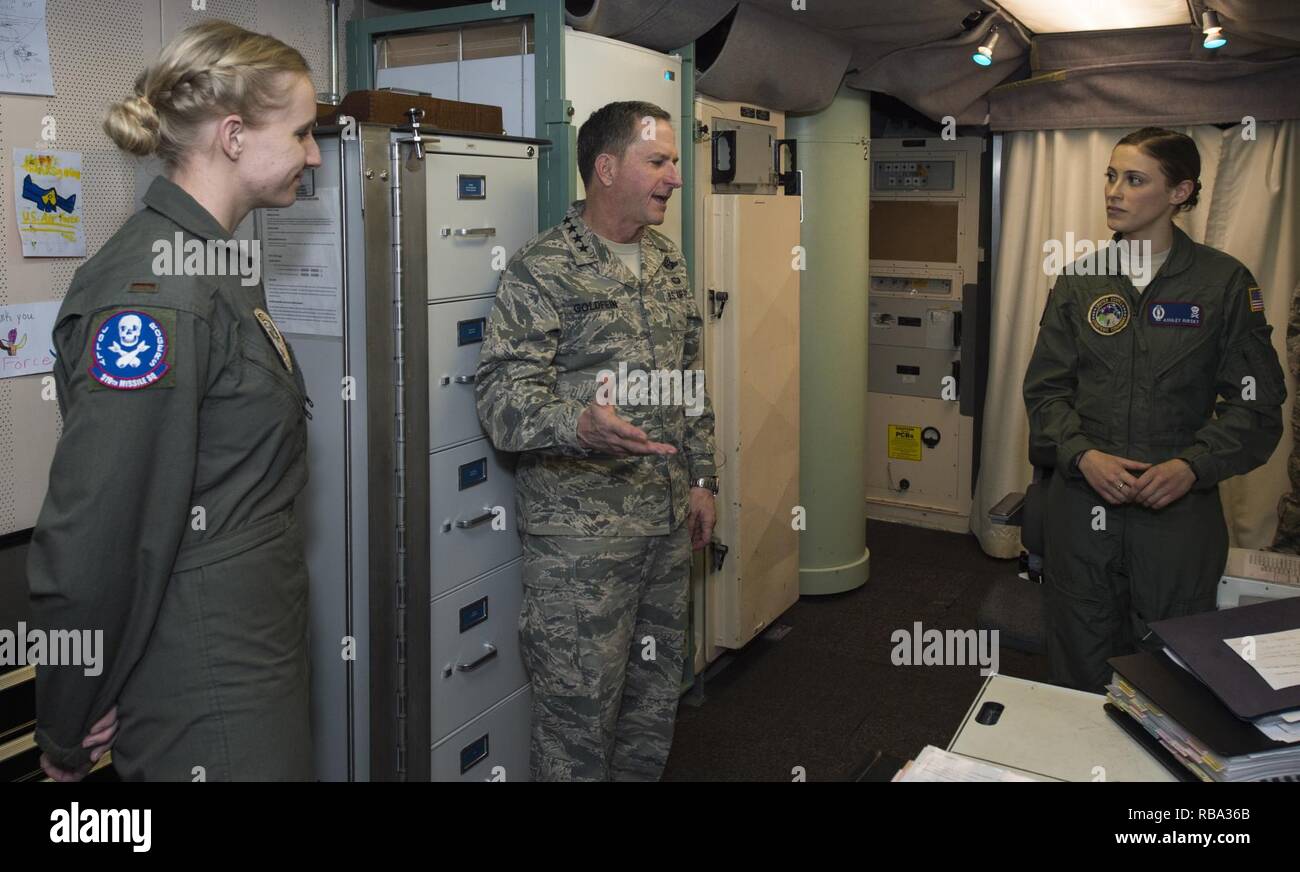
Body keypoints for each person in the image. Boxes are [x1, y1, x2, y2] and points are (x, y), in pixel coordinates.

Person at [27, 20, 322, 781]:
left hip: (250, 649)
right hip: (204, 682)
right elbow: (99, 529)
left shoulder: (214, 265)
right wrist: (68, 717)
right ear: (232, 136)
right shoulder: (153, 298)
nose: (314, 155)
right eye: (302, 134)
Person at [476, 101, 717, 781]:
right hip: (582, 551)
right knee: (578, 725)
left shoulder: (667, 262)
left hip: (666, 530)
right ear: (606, 169)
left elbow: (690, 378)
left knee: (649, 711)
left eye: (675, 161)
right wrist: (578, 426)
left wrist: (704, 480)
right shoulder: (543, 270)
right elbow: (500, 401)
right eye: (659, 161)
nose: (674, 176)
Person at [1024, 127, 1286, 693]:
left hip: (1175, 521)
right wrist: (1082, 455)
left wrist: (1193, 465)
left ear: (1179, 192)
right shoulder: (1080, 280)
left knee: (1175, 682)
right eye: (1111, 176)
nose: (1114, 191)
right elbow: (1045, 393)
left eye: (1134, 179)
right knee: (1079, 670)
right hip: (1083, 512)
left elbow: (1257, 406)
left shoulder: (1222, 285)